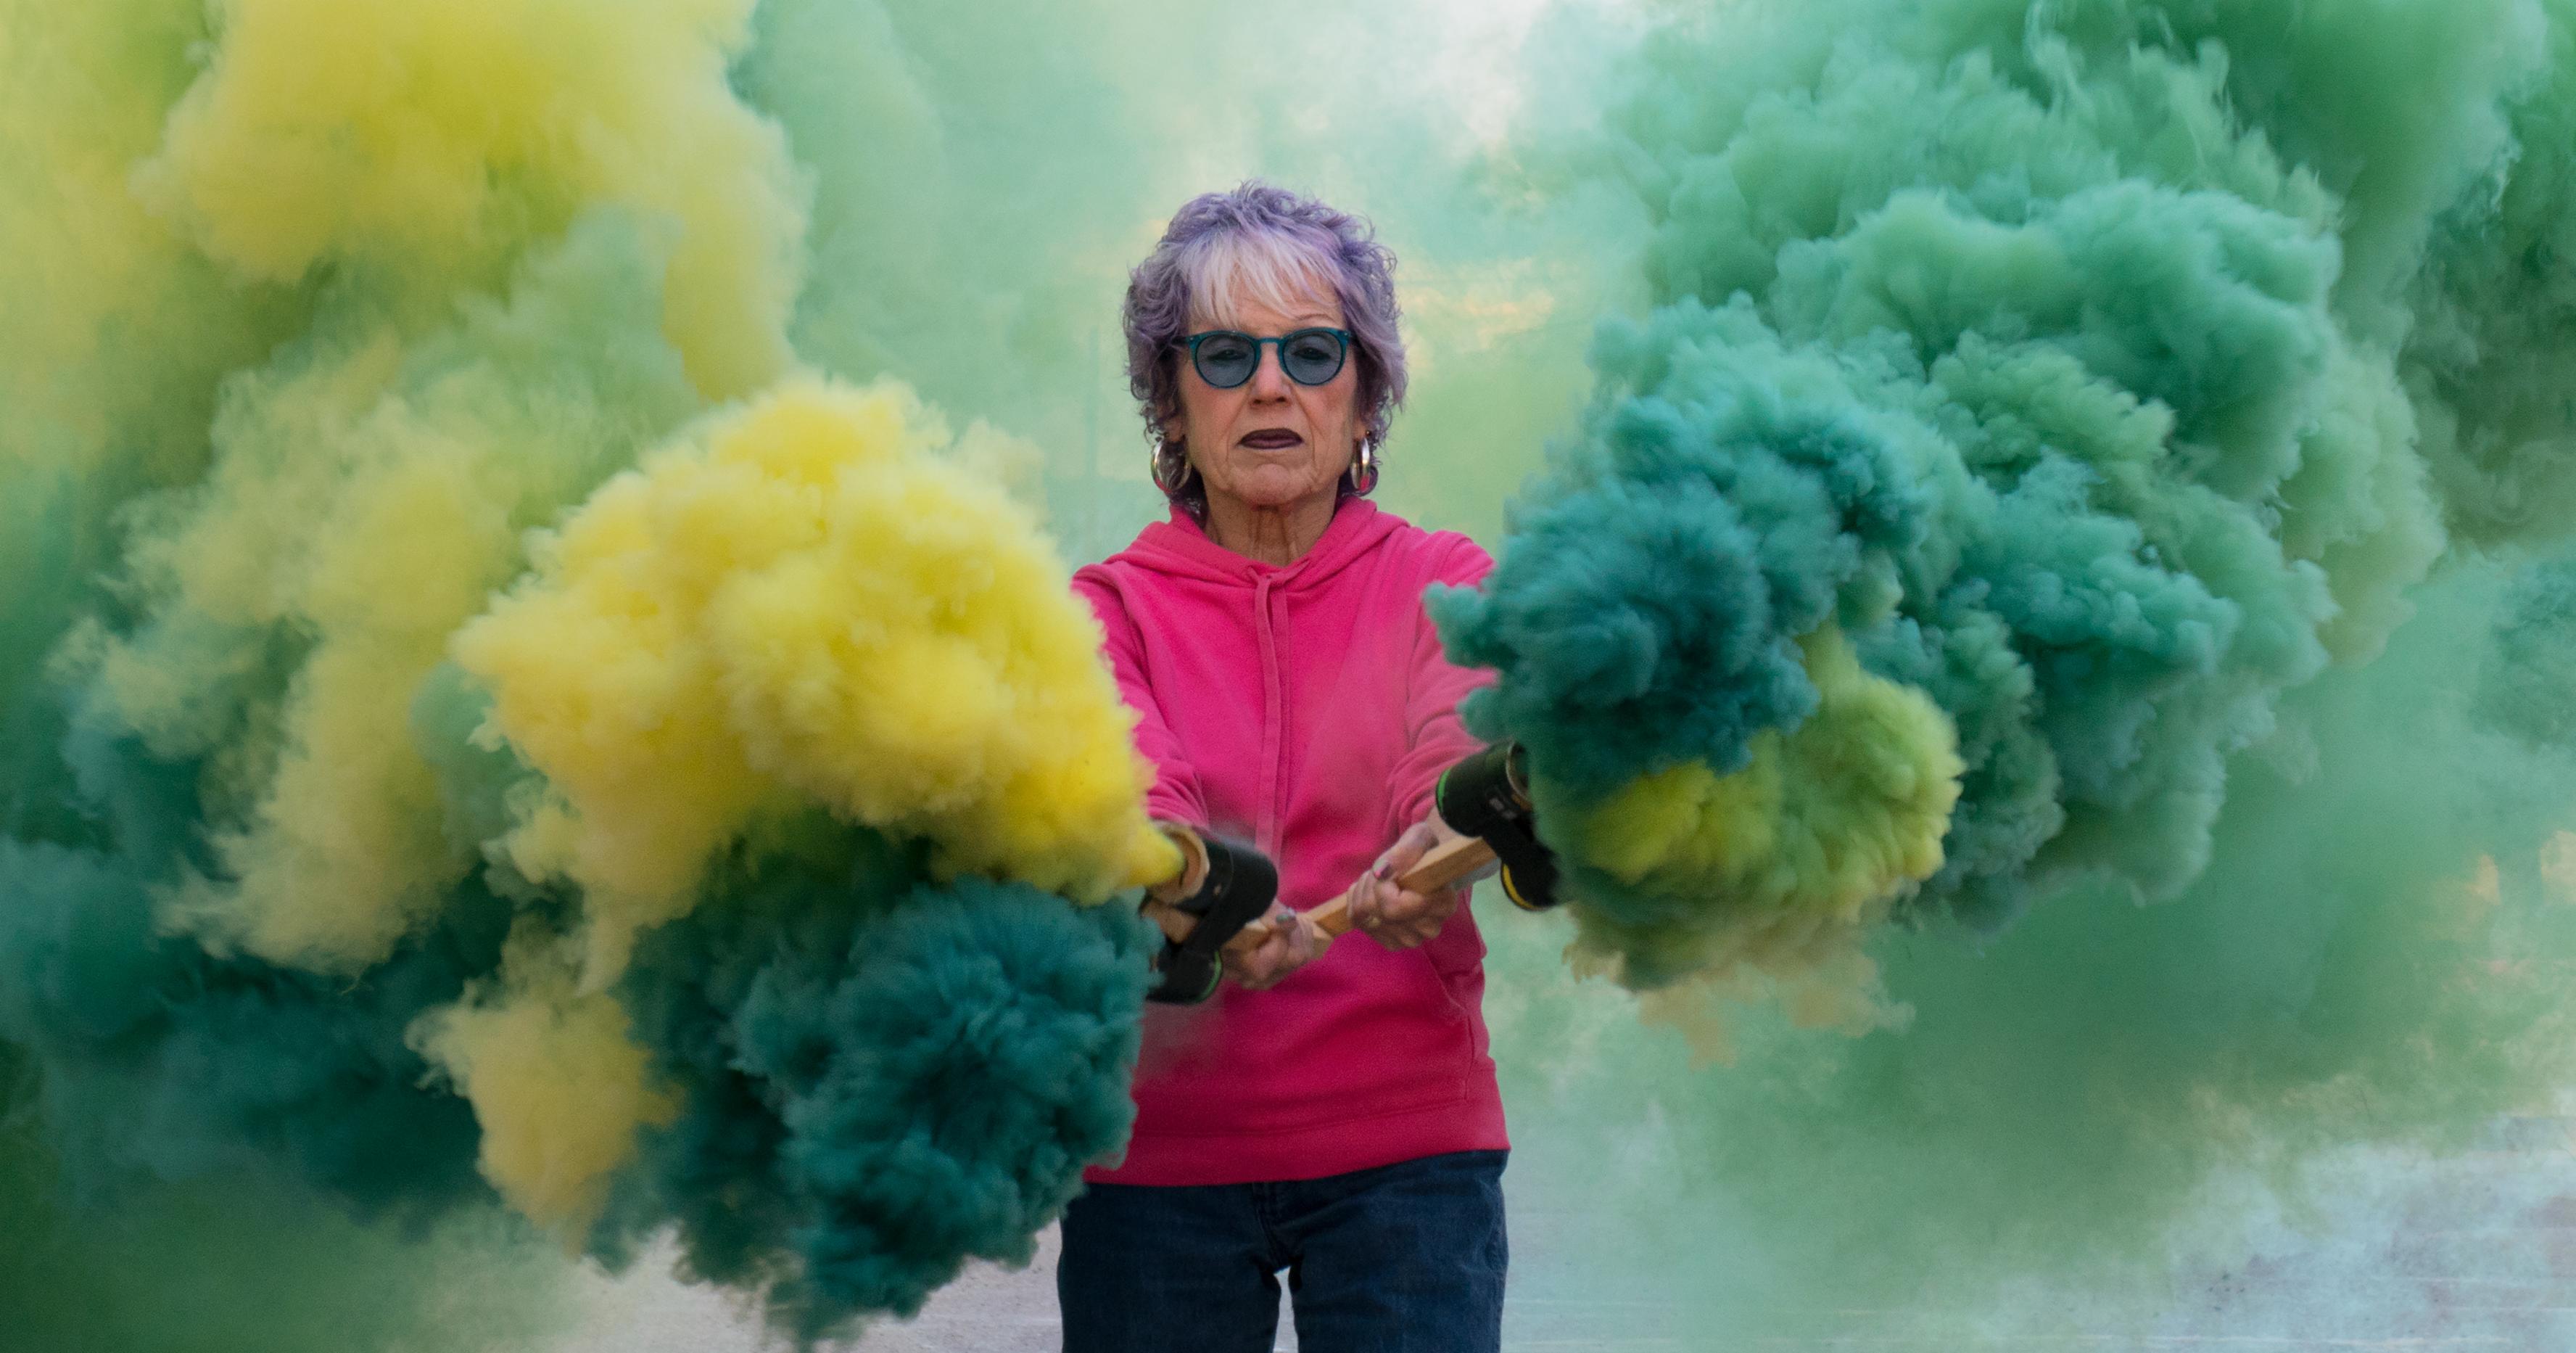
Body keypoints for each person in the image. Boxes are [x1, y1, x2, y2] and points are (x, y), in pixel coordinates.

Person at [1058, 181, 1508, 1352]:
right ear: (1172, 397)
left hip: (1410, 1161)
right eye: (1225, 354)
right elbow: (1121, 770)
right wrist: (1190, 887)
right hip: (1156, 1169)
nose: (1271, 384)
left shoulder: (1441, 575)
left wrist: (1439, 843)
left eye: (1312, 352)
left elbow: (1462, 732)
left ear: (1367, 394)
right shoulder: (1103, 606)